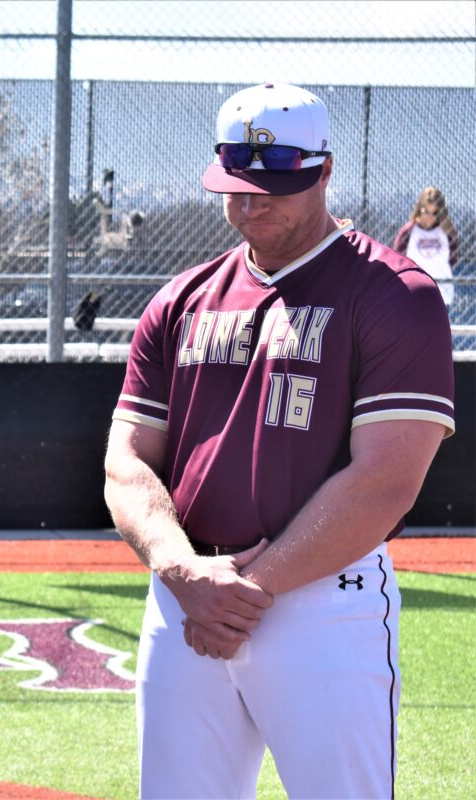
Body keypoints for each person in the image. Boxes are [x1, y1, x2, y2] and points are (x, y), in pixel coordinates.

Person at [103, 83, 454, 799]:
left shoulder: (394, 293)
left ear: (325, 171)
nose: (253, 200)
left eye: (276, 182)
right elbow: (127, 460)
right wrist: (181, 571)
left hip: (322, 602)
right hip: (185, 601)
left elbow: (385, 480)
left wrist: (245, 591)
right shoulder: (180, 299)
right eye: (238, 183)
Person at [392, 186, 460, 306]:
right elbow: (397, 258)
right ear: (419, 209)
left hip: (441, 292)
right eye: (426, 211)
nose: (429, 217)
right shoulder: (409, 230)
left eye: (434, 213)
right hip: (413, 292)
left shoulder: (446, 232)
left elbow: (453, 259)